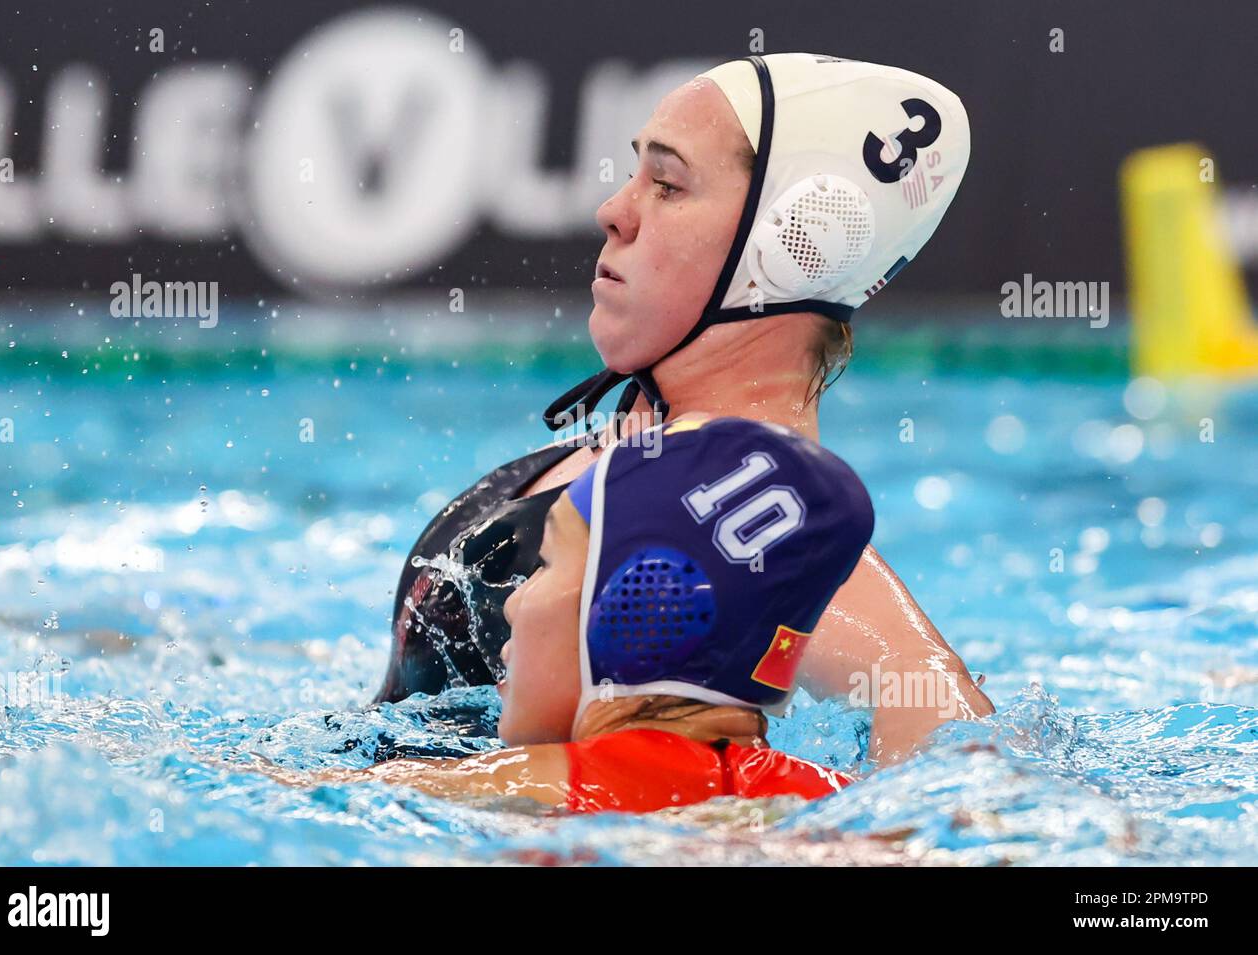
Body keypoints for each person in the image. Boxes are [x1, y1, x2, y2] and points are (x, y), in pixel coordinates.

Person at [376, 52, 993, 765]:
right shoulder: (646, 460)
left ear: (799, 243)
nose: (614, 210)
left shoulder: (752, 532)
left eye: (666, 184)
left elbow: (966, 753)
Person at [254, 417, 874, 813]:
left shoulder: (519, 784)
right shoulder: (838, 799)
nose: (516, 600)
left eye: (545, 566)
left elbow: (276, 799)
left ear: (639, 611)